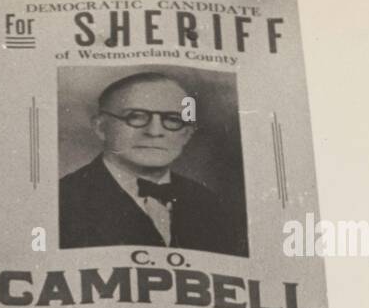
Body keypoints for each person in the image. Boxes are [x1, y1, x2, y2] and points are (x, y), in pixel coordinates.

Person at [58, 72, 247, 256]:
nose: (154, 132)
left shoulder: (210, 204)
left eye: (172, 120)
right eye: (136, 116)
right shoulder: (62, 200)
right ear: (101, 127)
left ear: (187, 134)